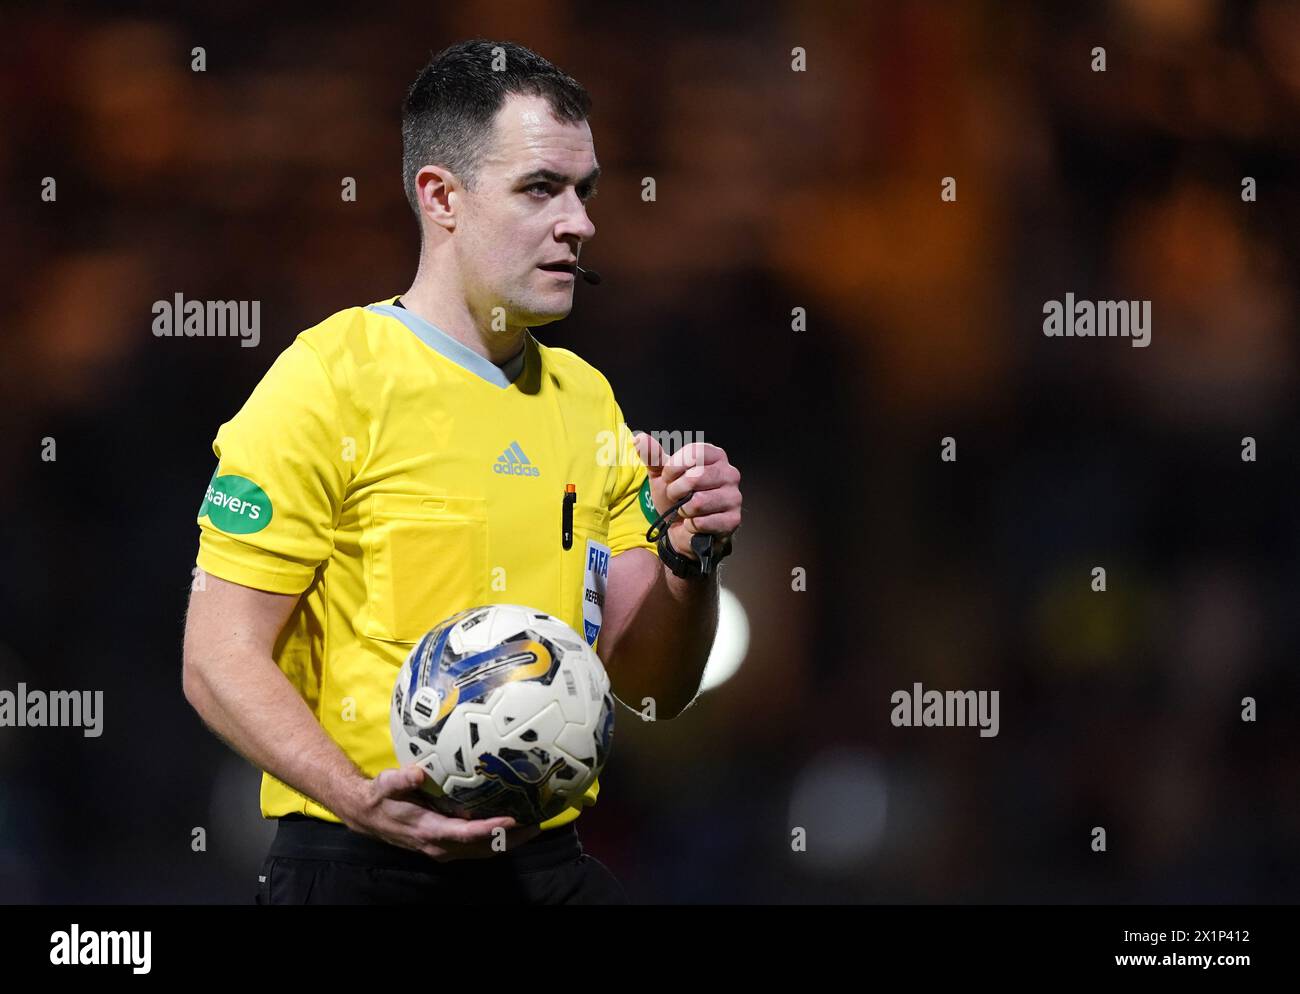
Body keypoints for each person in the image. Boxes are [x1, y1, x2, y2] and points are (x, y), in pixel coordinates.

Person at [181, 38, 743, 905]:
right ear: (441, 197)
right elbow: (216, 656)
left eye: (584, 191)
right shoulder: (328, 380)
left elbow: (654, 689)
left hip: (542, 866)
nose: (580, 222)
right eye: (540, 189)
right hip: (358, 867)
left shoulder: (588, 401)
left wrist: (687, 560)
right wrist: (356, 799)